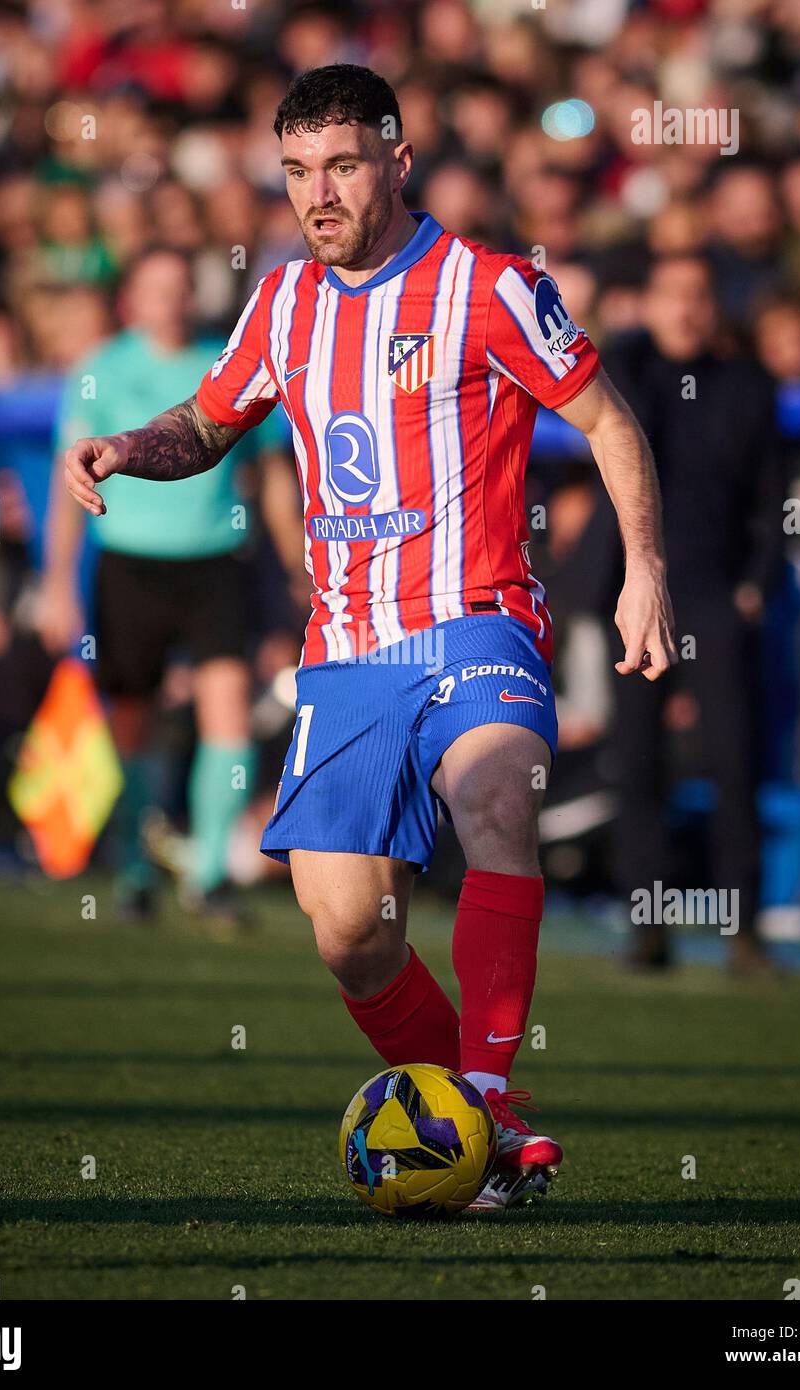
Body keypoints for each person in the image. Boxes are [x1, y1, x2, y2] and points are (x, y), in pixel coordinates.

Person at [58, 65, 676, 1211]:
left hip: (476, 621)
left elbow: (608, 419)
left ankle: (480, 1097)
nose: (317, 194)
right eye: (295, 171)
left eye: (340, 165)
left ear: (396, 161)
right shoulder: (283, 302)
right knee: (348, 930)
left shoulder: (486, 287)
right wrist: (125, 449)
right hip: (347, 651)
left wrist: (643, 571)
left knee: (496, 795)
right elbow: (207, 422)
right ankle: (489, 1131)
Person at [39, 244, 299, 925]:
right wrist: (58, 581)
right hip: (129, 564)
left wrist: (299, 562)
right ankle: (133, 870)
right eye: (155, 287)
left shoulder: (229, 363)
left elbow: (270, 477)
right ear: (131, 300)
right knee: (132, 722)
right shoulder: (100, 370)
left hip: (214, 562)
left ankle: (208, 874)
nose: (170, 300)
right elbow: (67, 485)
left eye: (180, 285)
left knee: (229, 711)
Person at [600, 253, 785, 975]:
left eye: (698, 296)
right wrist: (627, 338)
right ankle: (647, 928)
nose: (684, 309)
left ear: (716, 307)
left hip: (713, 595)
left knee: (735, 761)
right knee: (638, 764)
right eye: (669, 294)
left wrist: (753, 589)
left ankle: (744, 930)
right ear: (646, 302)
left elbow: (773, 502)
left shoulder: (748, 386)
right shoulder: (629, 373)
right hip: (633, 595)